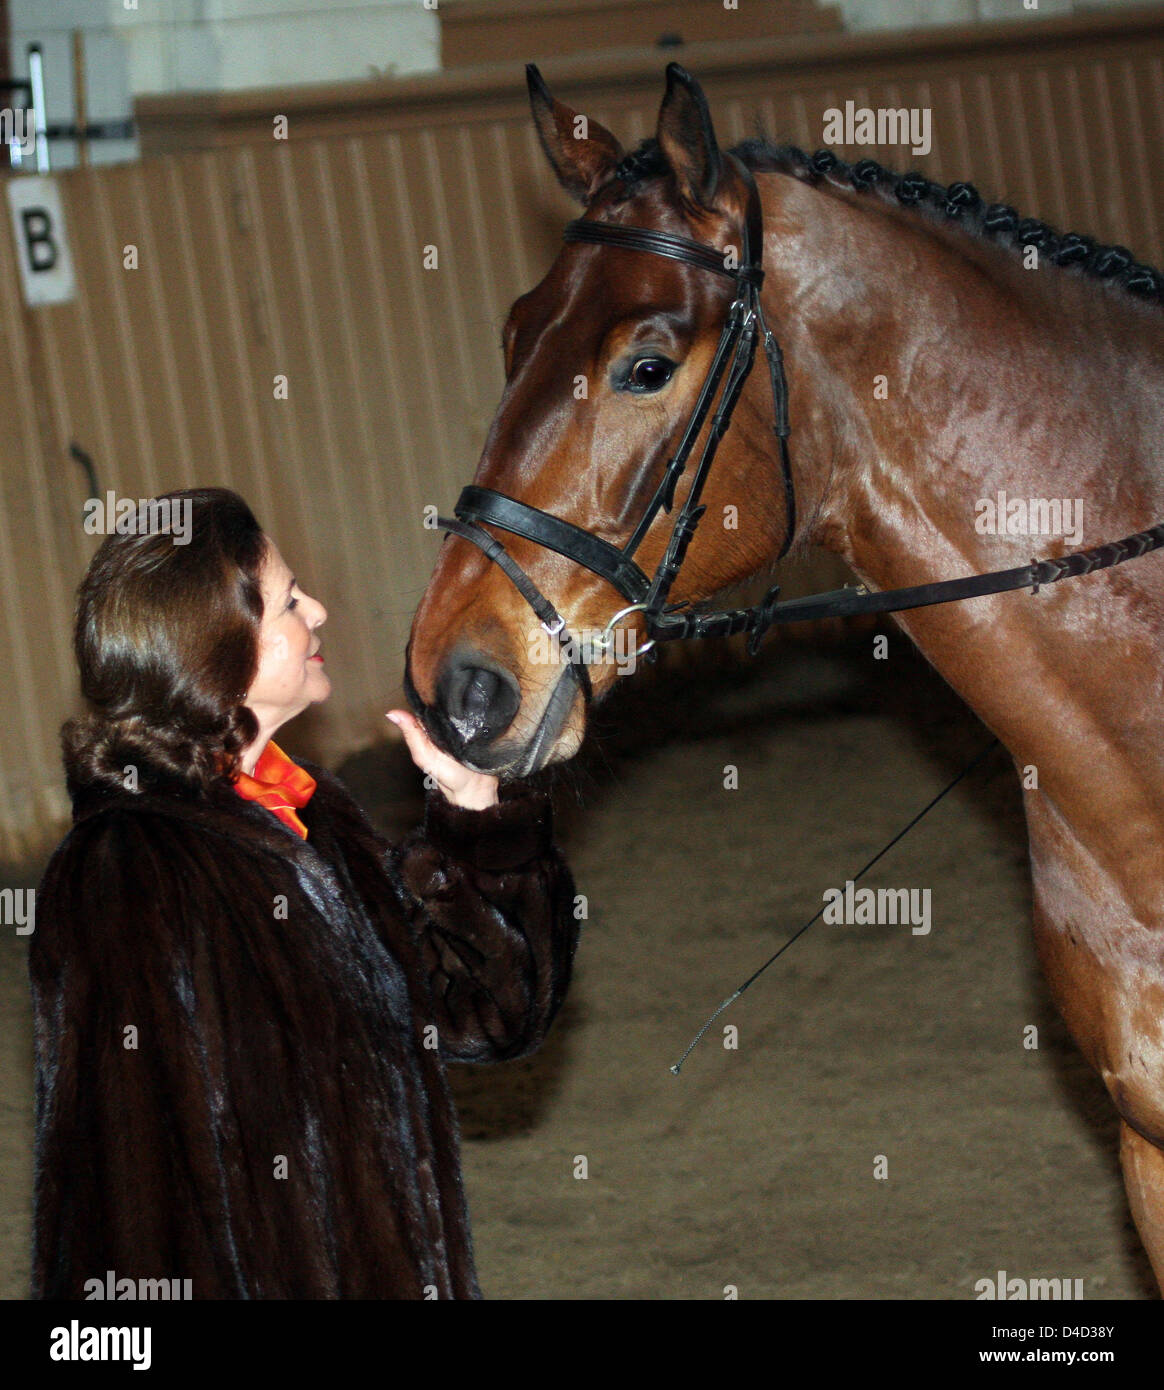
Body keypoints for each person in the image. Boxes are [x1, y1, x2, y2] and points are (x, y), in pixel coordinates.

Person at [29, 487, 580, 1299]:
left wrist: (474, 819)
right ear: (215, 647)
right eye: (289, 602)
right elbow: (135, 1202)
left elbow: (492, 1017)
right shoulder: (128, 864)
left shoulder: (309, 815)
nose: (318, 610)